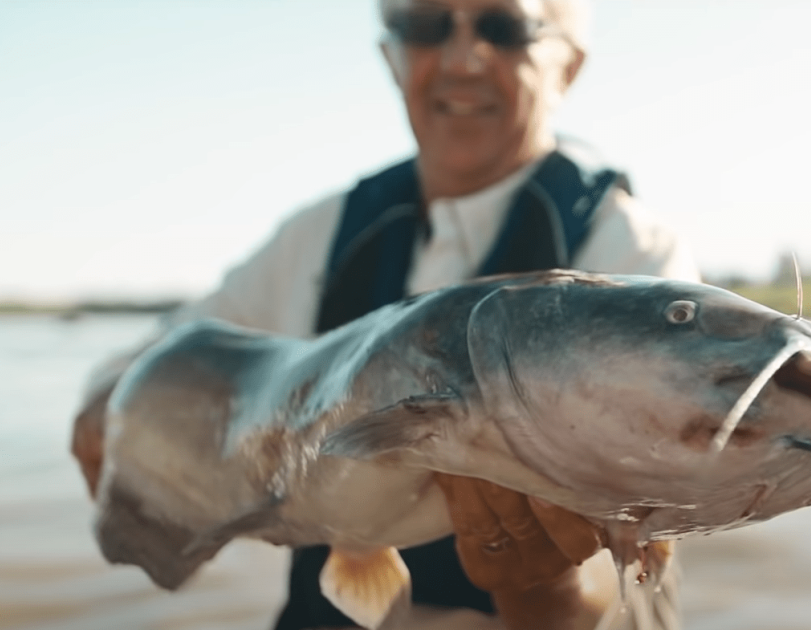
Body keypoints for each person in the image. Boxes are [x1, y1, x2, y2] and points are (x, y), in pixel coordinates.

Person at [70, 0, 699, 629]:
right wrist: (117, 416)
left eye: (502, 27)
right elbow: (156, 360)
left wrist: (547, 592)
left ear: (569, 67)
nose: (461, 59)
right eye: (425, 26)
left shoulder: (636, 266)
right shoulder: (321, 234)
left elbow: (644, 595)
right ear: (390, 58)